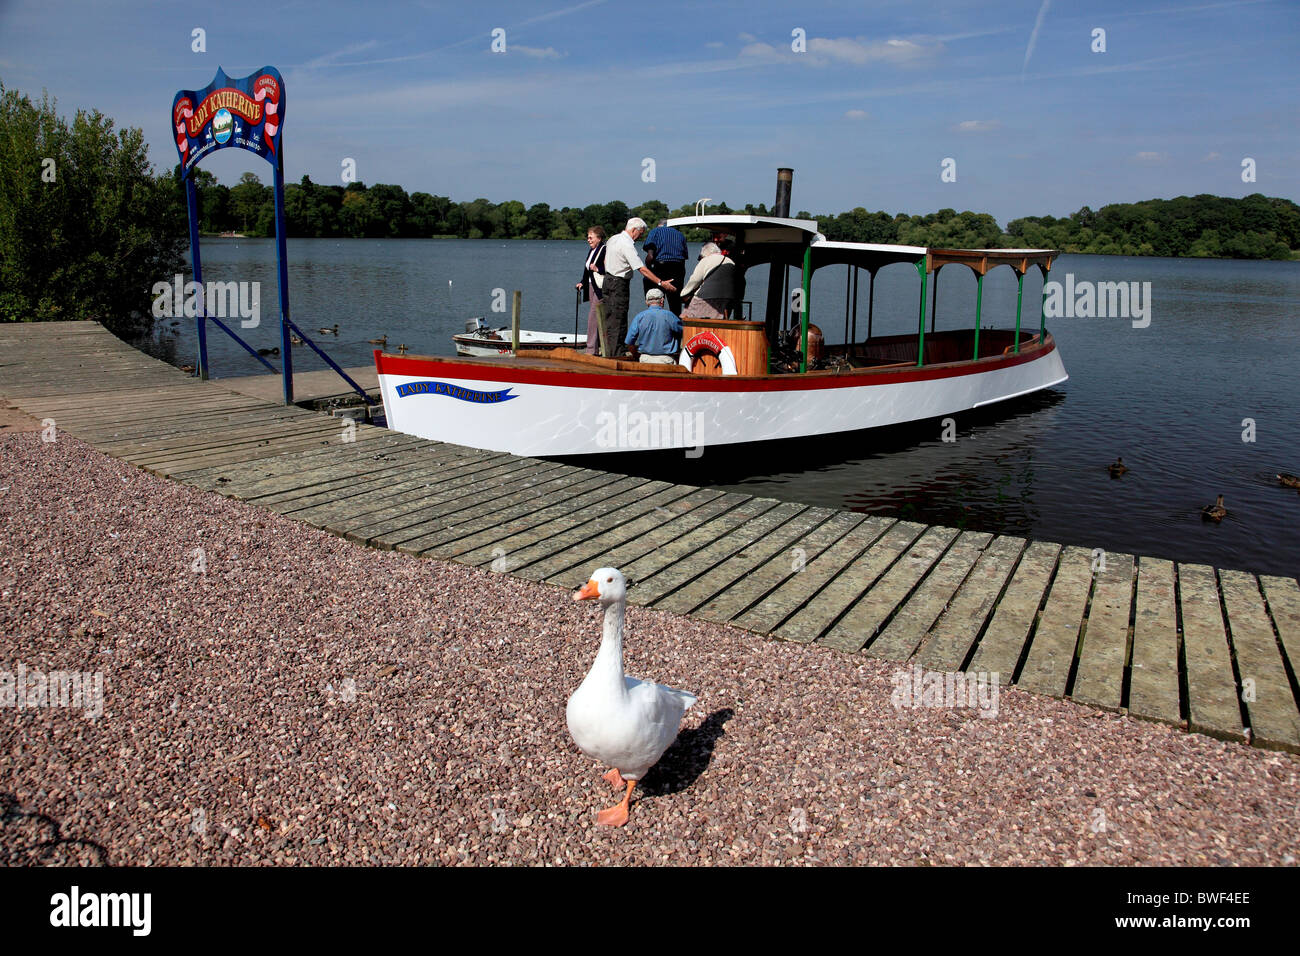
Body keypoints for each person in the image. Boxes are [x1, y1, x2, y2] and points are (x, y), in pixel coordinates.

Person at [601, 217, 676, 356]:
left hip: (608, 279)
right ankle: (617, 354)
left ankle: (611, 350)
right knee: (619, 317)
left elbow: (605, 260)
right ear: (634, 229)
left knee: (610, 317)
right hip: (619, 283)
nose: (640, 237)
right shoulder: (627, 244)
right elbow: (641, 268)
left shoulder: (613, 239)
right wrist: (661, 282)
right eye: (640, 233)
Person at [680, 242, 740, 320]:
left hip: (708, 298)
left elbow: (695, 280)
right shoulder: (730, 261)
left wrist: (683, 293)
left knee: (686, 316)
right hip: (728, 299)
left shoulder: (706, 260)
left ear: (704, 253)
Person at [640, 219, 688, 314]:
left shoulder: (655, 231)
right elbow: (684, 256)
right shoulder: (680, 234)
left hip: (660, 267)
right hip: (678, 268)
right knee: (675, 305)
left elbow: (650, 256)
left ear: (659, 225)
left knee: (655, 300)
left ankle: (655, 320)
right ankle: (675, 325)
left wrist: (649, 271)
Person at [625, 288, 682, 364]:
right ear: (662, 300)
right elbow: (684, 331)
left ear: (646, 302)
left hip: (645, 359)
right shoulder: (669, 316)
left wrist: (636, 355)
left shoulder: (639, 317)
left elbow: (629, 342)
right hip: (666, 360)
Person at [575, 226, 606, 355]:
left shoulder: (604, 250)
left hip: (599, 288)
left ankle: (591, 350)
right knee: (594, 317)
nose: (588, 240)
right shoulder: (592, 250)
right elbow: (587, 270)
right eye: (587, 237)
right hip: (591, 287)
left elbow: (610, 269)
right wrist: (582, 282)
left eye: (590, 237)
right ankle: (595, 348)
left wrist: (598, 269)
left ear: (599, 238)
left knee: (593, 318)